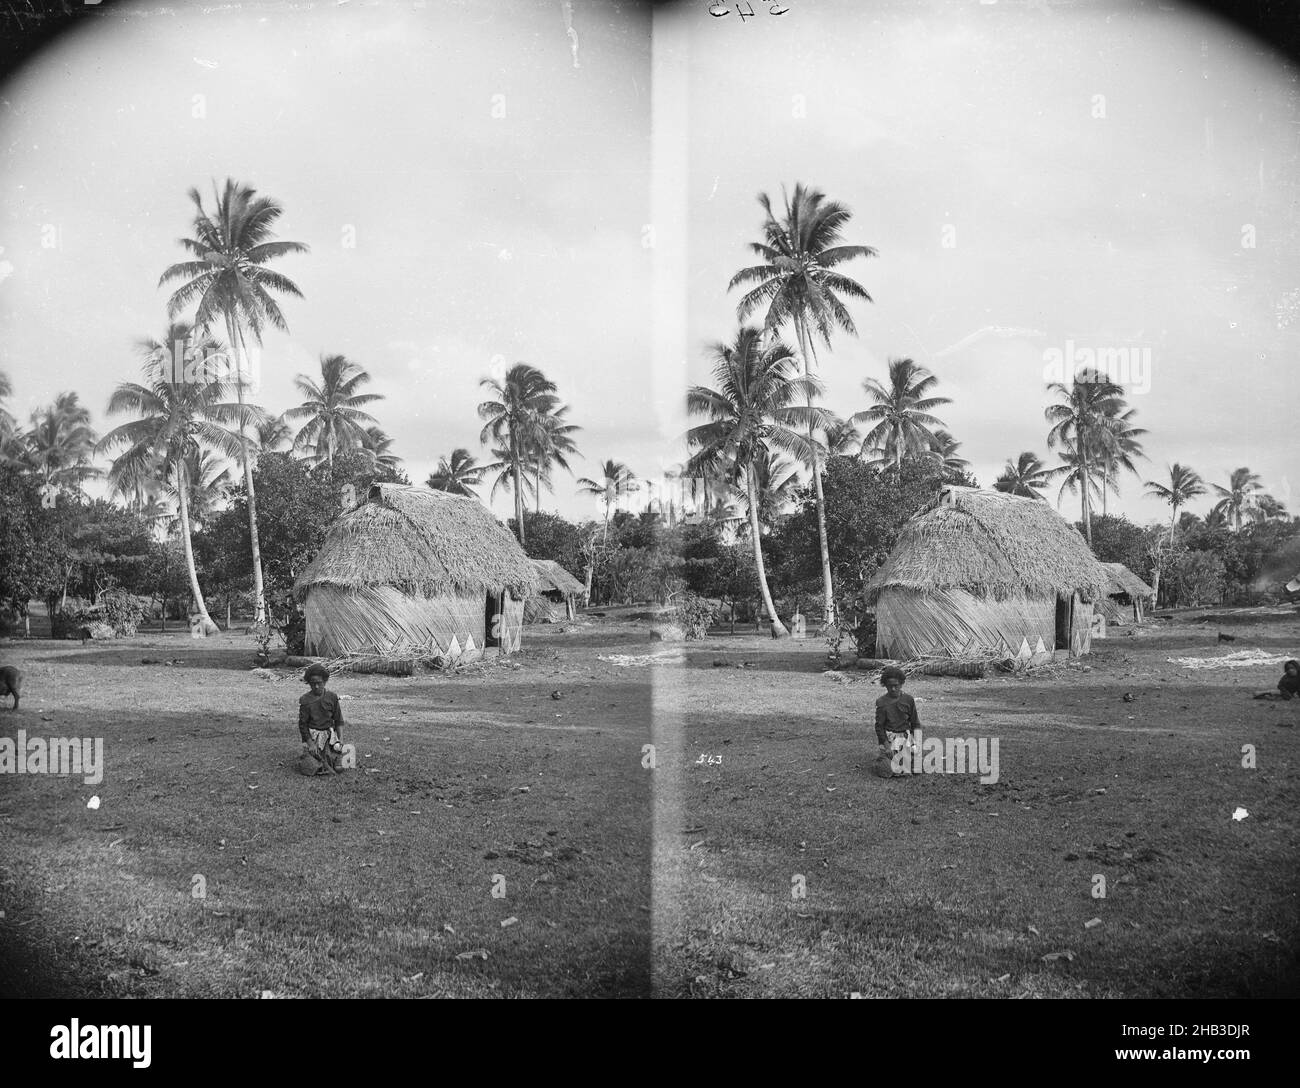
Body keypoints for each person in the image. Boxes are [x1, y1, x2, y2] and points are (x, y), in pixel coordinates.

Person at [298, 664, 345, 775]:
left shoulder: (332, 697)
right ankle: (319, 762)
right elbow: (303, 725)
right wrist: (310, 744)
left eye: (319, 683)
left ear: (325, 681)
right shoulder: (305, 700)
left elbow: (339, 720)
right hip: (314, 738)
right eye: (313, 684)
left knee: (340, 767)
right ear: (309, 683)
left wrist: (340, 740)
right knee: (308, 768)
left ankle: (333, 759)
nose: (317, 687)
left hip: (330, 737)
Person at [874, 665, 920, 777]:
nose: (893, 689)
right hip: (890, 739)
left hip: (906, 738)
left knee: (917, 768)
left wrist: (917, 743)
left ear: (901, 684)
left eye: (896, 686)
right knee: (886, 770)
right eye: (890, 686)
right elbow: (879, 727)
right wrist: (886, 746)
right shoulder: (882, 702)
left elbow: (915, 722)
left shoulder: (908, 700)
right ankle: (886, 760)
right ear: (885, 686)